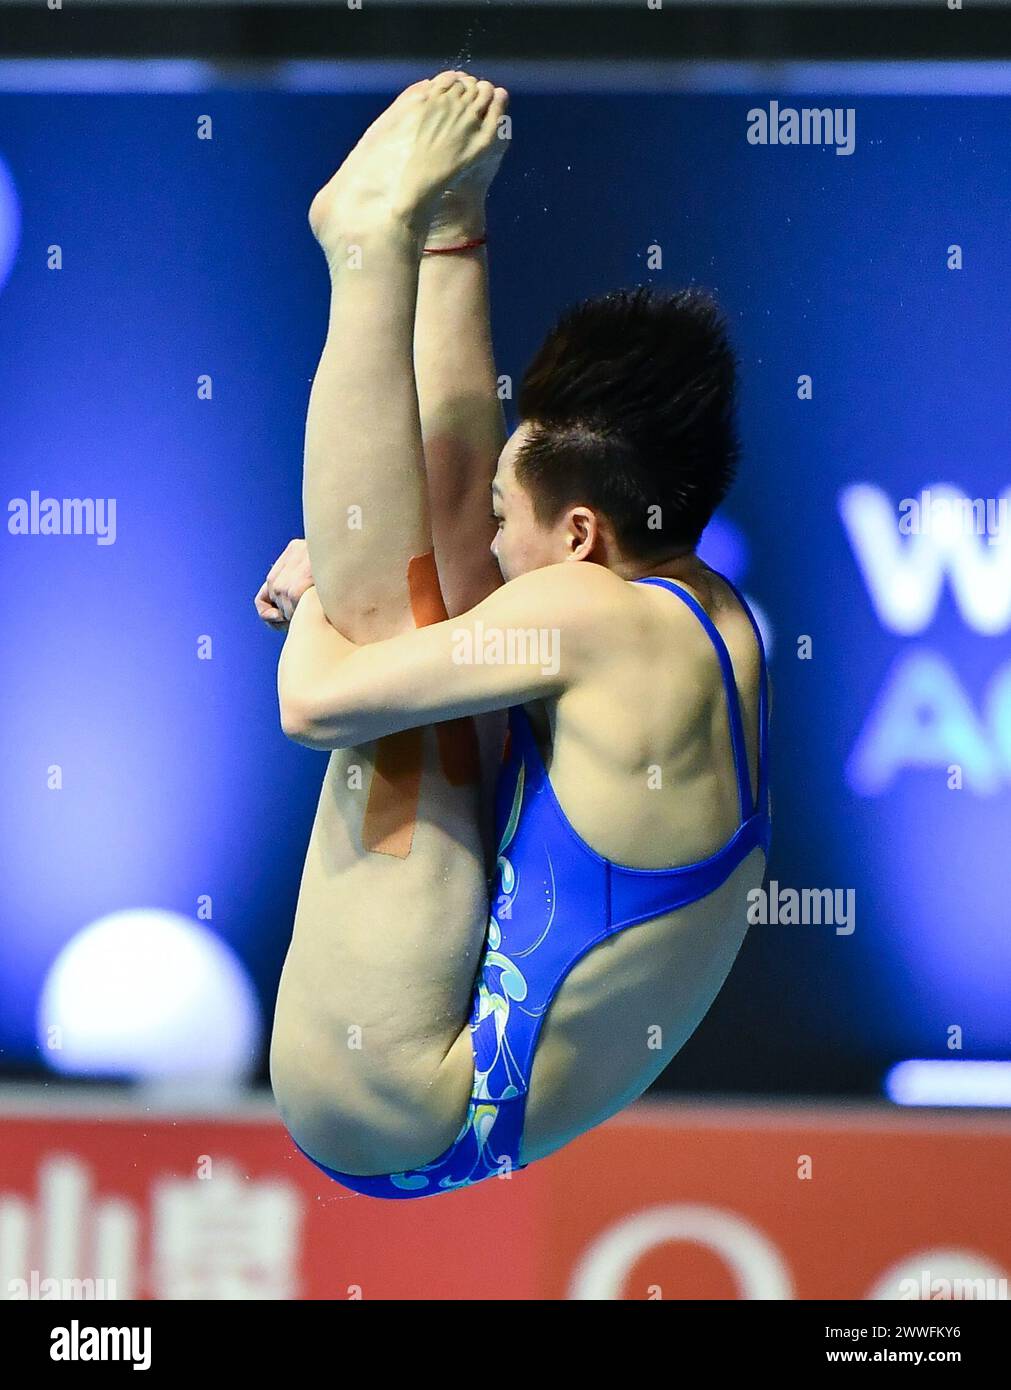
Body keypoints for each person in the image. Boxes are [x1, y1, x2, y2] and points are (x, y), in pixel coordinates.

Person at [257, 71, 771, 1199]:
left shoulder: (589, 614)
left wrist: (314, 603)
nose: (490, 543)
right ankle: (436, 238)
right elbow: (376, 642)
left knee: (390, 621)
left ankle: (380, 252)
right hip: (434, 1092)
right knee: (413, 607)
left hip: (394, 1089)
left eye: (509, 515)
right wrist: (329, 607)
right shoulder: (709, 619)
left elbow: (313, 702)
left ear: (583, 531)